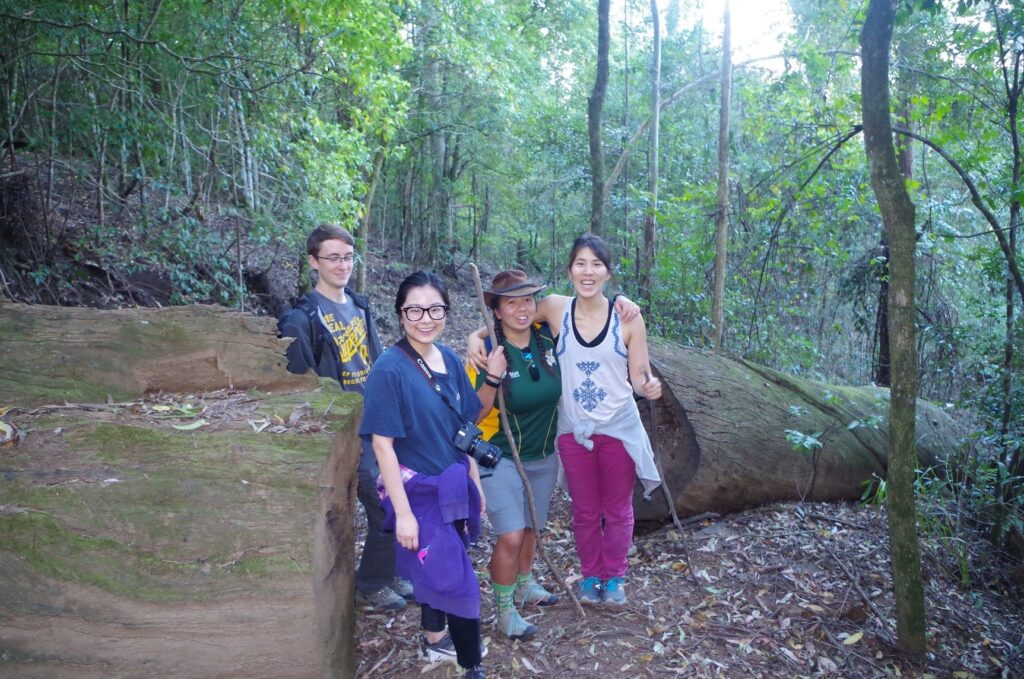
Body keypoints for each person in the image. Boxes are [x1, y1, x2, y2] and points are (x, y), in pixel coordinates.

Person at [467, 236, 660, 606]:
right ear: (570, 269)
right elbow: (510, 316)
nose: (588, 272)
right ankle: (590, 578)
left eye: (596, 264)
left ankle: (614, 577)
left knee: (618, 509)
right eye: (580, 264)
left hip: (618, 427)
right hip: (574, 430)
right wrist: (473, 337)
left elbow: (639, 374)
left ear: (607, 271)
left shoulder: (629, 319)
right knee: (585, 510)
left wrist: (648, 386)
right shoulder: (556, 308)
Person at [359, 271, 488, 679]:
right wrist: (405, 515)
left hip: (453, 483)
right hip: (417, 491)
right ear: (400, 314)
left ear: (446, 312)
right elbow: (382, 446)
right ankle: (472, 665)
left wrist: (477, 488)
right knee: (459, 583)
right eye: (414, 309)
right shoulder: (389, 370)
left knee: (441, 566)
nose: (425, 318)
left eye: (435, 309)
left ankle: (433, 641)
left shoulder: (448, 358)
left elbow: (464, 431)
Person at [277, 224, 412, 611]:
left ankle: (386, 571)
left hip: (378, 420)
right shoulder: (299, 320)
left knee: (401, 493)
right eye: (333, 257)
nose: (342, 265)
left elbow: (377, 361)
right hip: (346, 430)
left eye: (348, 257)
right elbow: (301, 383)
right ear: (313, 262)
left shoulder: (359, 304)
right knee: (385, 502)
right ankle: (370, 585)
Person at [469, 270, 562, 641]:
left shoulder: (547, 337)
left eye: (527, 300)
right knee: (510, 534)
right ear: (496, 309)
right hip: (501, 456)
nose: (521, 309)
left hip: (543, 455)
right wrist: (493, 376)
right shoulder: (486, 352)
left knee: (531, 529)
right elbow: (472, 414)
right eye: (511, 302)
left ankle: (525, 584)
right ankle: (504, 611)